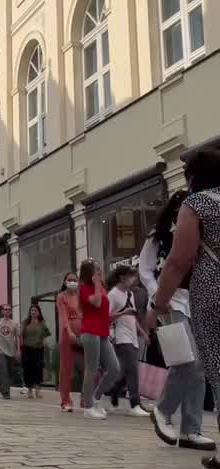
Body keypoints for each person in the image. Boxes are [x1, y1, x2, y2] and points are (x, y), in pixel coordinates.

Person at [156, 144, 220, 469]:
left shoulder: (196, 204)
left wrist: (159, 302)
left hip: (211, 295)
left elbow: (178, 261)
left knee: (216, 371)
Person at [139, 190, 213, 451]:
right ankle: (163, 409)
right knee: (186, 360)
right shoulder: (159, 236)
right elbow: (145, 268)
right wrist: (157, 294)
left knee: (200, 366)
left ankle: (192, 429)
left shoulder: (202, 231)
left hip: (198, 300)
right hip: (171, 301)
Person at [79, 259, 121, 420]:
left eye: (99, 269)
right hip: (90, 332)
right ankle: (87, 406)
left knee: (114, 368)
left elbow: (102, 310)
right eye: (96, 269)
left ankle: (96, 397)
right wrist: (97, 284)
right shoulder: (84, 288)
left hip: (103, 332)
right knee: (92, 369)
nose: (99, 272)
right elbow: (96, 303)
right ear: (90, 272)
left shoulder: (102, 287)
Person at [107, 266, 149, 417]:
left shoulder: (129, 294)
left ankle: (113, 391)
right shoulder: (113, 295)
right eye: (130, 276)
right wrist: (122, 313)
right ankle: (135, 404)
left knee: (125, 371)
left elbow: (132, 316)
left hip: (133, 337)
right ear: (121, 277)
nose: (133, 279)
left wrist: (143, 333)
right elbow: (107, 317)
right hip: (121, 337)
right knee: (133, 370)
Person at [56, 272, 82, 412]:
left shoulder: (80, 297)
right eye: (69, 280)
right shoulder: (61, 297)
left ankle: (87, 400)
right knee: (66, 369)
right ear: (65, 281)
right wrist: (69, 331)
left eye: (74, 280)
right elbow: (63, 316)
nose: (72, 282)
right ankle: (65, 401)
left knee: (87, 367)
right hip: (68, 334)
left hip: (83, 333)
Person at [0, 305, 21, 399]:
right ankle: (5, 393)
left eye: (9, 310)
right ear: (2, 311)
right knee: (3, 371)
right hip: (0, 350)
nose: (7, 311)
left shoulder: (14, 323)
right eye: (5, 309)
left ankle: (4, 389)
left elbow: (18, 338)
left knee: (9, 372)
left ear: (11, 312)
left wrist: (18, 350)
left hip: (11, 351)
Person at [21, 303, 50, 399]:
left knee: (38, 369)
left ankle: (38, 390)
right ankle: (29, 390)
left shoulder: (42, 322)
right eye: (32, 310)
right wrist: (19, 347)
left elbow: (46, 333)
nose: (33, 312)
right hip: (27, 348)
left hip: (38, 348)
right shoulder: (26, 322)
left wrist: (44, 341)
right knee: (28, 369)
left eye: (35, 310)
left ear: (39, 312)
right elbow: (21, 335)